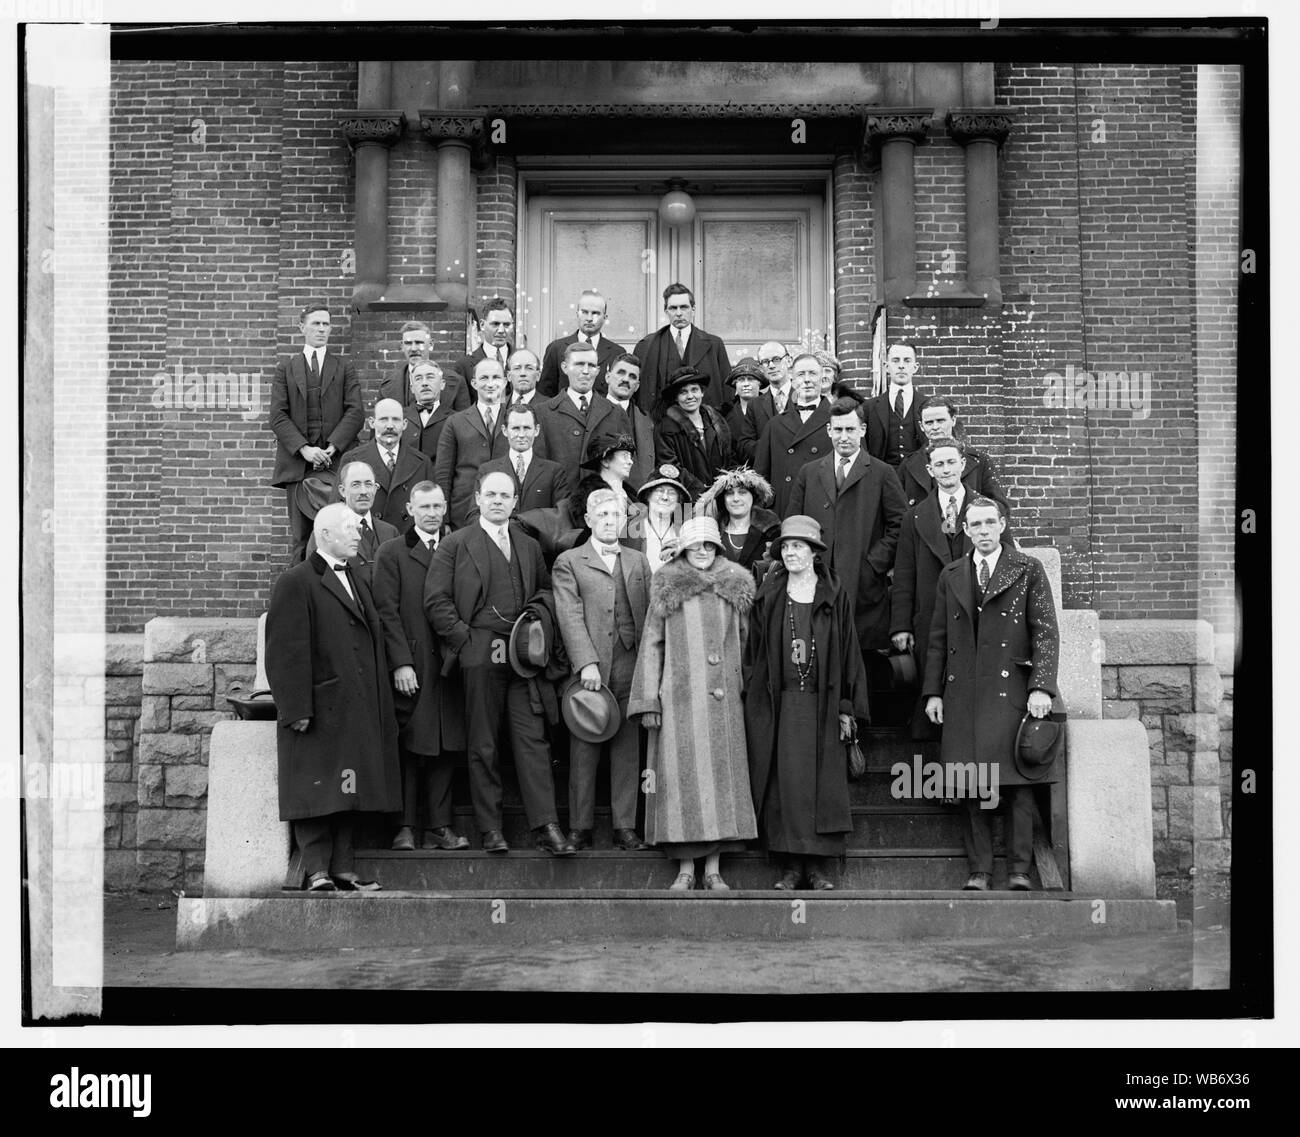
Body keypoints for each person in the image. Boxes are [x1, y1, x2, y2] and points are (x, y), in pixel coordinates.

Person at [424, 470, 575, 856]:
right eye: (489, 494)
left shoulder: (527, 545)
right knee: (484, 743)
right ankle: (491, 829)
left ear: (514, 501)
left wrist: (534, 627)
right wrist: (467, 641)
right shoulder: (455, 545)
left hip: (522, 658)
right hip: (480, 653)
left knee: (532, 740)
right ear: (477, 499)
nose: (497, 501)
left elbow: (544, 591)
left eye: (504, 496)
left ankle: (546, 825)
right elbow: (436, 602)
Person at [923, 495, 1060, 892]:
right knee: (971, 784)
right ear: (965, 530)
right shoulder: (951, 574)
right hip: (963, 693)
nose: (983, 531)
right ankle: (979, 871)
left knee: (1017, 784)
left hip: (1012, 691)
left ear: (1002, 525)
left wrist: (1041, 687)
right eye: (975, 525)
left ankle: (1018, 870)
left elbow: (1046, 633)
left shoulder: (1027, 569)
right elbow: (937, 639)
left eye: (989, 523)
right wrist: (933, 693)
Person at [265, 502, 401, 891]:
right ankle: (316, 870)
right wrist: (296, 709)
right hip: (319, 708)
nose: (359, 534)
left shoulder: (357, 577)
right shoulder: (296, 581)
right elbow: (284, 652)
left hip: (354, 707)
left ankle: (342, 867)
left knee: (348, 790)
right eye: (350, 529)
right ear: (324, 535)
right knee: (315, 791)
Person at [629, 517, 756, 890]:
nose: (702, 552)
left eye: (709, 545)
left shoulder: (734, 586)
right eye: (695, 545)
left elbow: (747, 645)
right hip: (679, 702)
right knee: (681, 784)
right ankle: (685, 870)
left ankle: (713, 869)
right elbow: (652, 645)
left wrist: (745, 690)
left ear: (718, 547)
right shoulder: (668, 587)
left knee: (718, 782)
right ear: (683, 549)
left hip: (723, 702)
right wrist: (648, 699)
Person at [744, 515, 870, 891]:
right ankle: (788, 867)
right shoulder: (769, 593)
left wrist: (847, 706)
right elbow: (754, 653)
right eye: (785, 546)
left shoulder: (834, 592)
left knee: (820, 784)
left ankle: (816, 868)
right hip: (779, 703)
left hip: (823, 703)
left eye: (799, 546)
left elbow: (849, 650)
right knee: (784, 786)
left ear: (815, 552)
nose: (791, 552)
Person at [553, 488, 653, 851]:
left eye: (616, 516)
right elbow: (569, 615)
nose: (611, 522)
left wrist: (649, 668)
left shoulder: (638, 561)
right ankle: (580, 826)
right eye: (604, 516)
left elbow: (648, 617)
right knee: (584, 745)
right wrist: (586, 663)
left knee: (628, 749)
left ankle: (625, 825)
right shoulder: (570, 561)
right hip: (591, 667)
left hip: (630, 663)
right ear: (589, 520)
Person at [371, 482, 469, 852]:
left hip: (449, 664)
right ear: (409, 509)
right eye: (423, 506)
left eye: (437, 506)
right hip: (412, 666)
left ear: (445, 508)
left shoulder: (458, 548)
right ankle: (405, 826)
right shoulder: (392, 552)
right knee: (411, 747)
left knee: (445, 747)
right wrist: (400, 663)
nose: (431, 513)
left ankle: (440, 827)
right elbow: (386, 612)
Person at [787, 397, 908, 652]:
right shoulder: (809, 473)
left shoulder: (882, 472)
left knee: (858, 658)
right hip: (816, 578)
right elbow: (793, 525)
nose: (844, 436)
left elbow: (900, 526)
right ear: (829, 430)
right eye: (838, 429)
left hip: (862, 586)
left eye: (850, 429)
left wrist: (873, 563)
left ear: (862, 430)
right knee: (818, 652)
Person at [891, 436, 987, 739]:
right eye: (939, 465)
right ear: (930, 471)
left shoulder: (986, 512)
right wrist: (900, 626)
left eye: (951, 463)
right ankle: (934, 772)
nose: (946, 470)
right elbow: (904, 574)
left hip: (976, 616)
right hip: (932, 616)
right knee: (931, 693)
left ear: (963, 465)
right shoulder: (915, 516)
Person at [268, 301, 364, 563]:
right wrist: (305, 449)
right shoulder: (285, 369)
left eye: (326, 324)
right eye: (316, 324)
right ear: (302, 328)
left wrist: (333, 446)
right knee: (300, 541)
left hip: (336, 464)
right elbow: (277, 415)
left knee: (340, 534)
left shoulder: (344, 368)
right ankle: (301, 601)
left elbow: (356, 412)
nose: (322, 329)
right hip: (299, 465)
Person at [536, 341, 631, 491]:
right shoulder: (543, 413)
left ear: (598, 370)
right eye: (579, 364)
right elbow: (540, 468)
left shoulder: (616, 413)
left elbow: (625, 463)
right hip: (558, 505)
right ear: (565, 368)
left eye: (591, 366)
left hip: (603, 503)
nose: (586, 371)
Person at [434, 357, 511, 529]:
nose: (490, 384)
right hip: (464, 511)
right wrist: (444, 519)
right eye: (484, 378)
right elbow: (443, 474)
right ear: (474, 383)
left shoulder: (515, 420)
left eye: (496, 378)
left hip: (506, 510)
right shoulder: (455, 421)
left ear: (505, 382)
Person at [633, 283, 731, 415]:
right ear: (666, 311)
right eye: (673, 308)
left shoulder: (714, 345)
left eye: (684, 307)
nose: (679, 313)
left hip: (704, 423)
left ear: (693, 309)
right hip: (661, 425)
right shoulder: (646, 346)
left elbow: (727, 391)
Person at [753, 353, 832, 517]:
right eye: (801, 374)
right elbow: (759, 479)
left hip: (826, 509)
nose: (807, 379)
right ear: (792, 379)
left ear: (822, 378)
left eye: (813, 373)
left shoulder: (840, 422)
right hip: (785, 509)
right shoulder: (774, 426)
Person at [897, 395, 1008, 511]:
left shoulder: (980, 461)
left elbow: (999, 508)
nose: (935, 427)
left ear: (953, 420)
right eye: (929, 423)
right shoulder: (908, 465)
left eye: (940, 421)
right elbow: (899, 511)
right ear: (921, 426)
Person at [341, 398, 435, 532]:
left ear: (404, 424)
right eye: (383, 419)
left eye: (396, 420)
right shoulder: (352, 460)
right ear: (372, 423)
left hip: (407, 544)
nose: (390, 426)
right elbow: (337, 510)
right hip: (366, 541)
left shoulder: (422, 463)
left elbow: (431, 510)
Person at [305, 460, 398, 588]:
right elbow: (314, 582)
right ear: (342, 491)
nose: (364, 491)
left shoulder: (390, 532)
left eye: (368, 484)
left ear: (376, 489)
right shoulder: (325, 532)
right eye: (356, 485)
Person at [471, 401, 568, 518]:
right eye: (516, 428)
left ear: (536, 430)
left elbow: (561, 516)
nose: (521, 435)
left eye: (526, 428)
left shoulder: (554, 472)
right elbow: (474, 514)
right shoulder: (487, 470)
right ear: (505, 430)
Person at [653, 366, 737, 497]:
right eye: (683, 392)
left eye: (694, 390)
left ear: (702, 392)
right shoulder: (667, 428)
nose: (690, 396)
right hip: (686, 501)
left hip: (720, 497)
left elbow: (730, 458)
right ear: (676, 397)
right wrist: (702, 493)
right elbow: (670, 467)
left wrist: (724, 487)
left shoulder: (716, 421)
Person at [697, 466, 781, 583]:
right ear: (723, 499)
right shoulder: (710, 532)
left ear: (753, 497)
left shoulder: (771, 531)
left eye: (742, 493)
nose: (736, 499)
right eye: (730, 493)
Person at [538, 289, 626, 397]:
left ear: (605, 317)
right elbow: (545, 392)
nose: (589, 318)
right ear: (577, 314)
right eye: (584, 312)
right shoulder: (556, 348)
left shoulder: (617, 352)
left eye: (595, 313)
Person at [380, 319, 470, 412]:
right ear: (402, 346)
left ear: (431, 344)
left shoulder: (456, 382)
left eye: (419, 343)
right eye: (408, 343)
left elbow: (463, 423)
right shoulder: (388, 385)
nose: (413, 348)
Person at [864, 340, 927, 467]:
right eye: (896, 360)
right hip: (882, 479)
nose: (901, 366)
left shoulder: (928, 406)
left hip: (920, 479)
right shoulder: (868, 408)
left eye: (907, 361)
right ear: (886, 367)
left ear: (915, 367)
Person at [602, 353, 656, 488]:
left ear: (637, 386)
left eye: (632, 377)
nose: (626, 379)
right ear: (608, 377)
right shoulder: (590, 413)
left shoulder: (648, 421)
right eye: (621, 373)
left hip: (638, 501)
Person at [445, 297, 516, 389]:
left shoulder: (523, 362)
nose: (501, 330)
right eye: (495, 324)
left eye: (506, 325)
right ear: (482, 325)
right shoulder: (463, 366)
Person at [635, 464, 691, 574]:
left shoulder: (686, 533)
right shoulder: (630, 531)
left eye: (671, 493)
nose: (665, 497)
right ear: (648, 495)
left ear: (678, 501)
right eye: (659, 491)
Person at [723, 357, 773, 465]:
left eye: (750, 379)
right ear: (735, 384)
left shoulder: (772, 408)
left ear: (759, 383)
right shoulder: (725, 415)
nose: (746, 384)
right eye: (741, 380)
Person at [756, 341, 793, 416]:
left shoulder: (806, 396)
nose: (771, 366)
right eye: (765, 362)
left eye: (776, 359)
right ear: (760, 368)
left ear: (789, 361)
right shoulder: (755, 406)